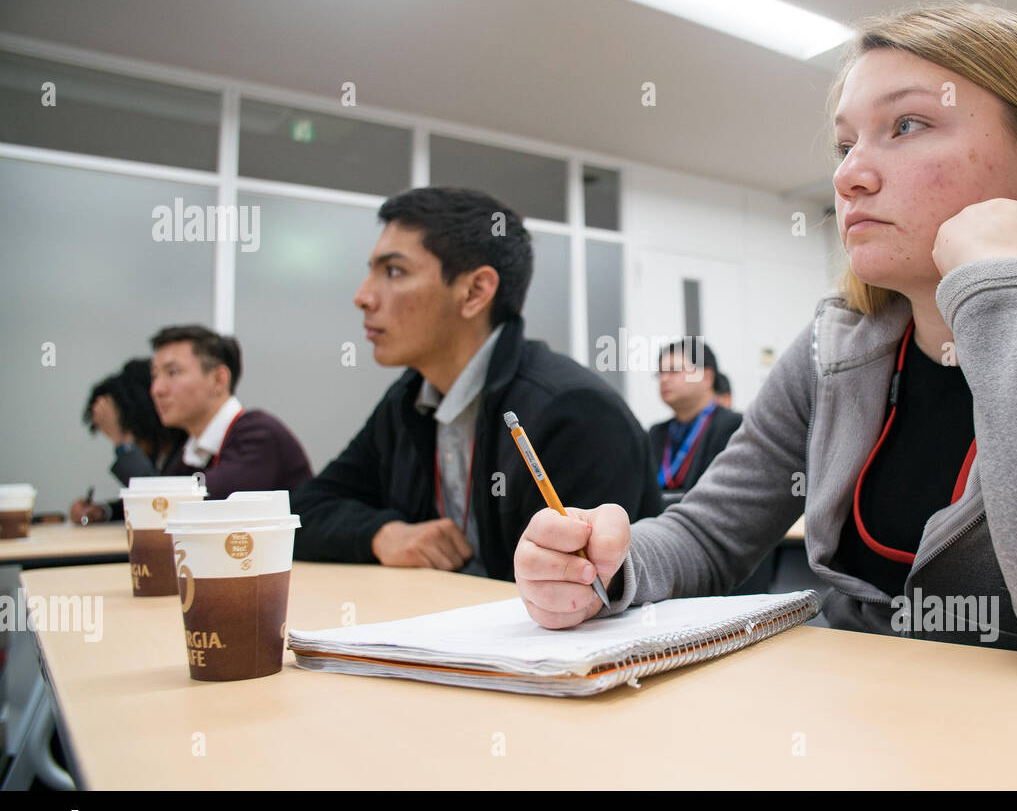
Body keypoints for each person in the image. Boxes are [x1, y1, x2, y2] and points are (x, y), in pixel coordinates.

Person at [513, 2, 1017, 682]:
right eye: (845, 144)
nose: (851, 175)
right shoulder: (835, 344)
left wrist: (1005, 283)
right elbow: (707, 535)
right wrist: (608, 566)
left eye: (908, 125)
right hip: (866, 740)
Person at [291, 186, 661, 576]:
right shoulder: (408, 400)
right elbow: (304, 512)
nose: (362, 297)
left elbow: (587, 592)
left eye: (394, 271)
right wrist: (380, 534)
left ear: (474, 292)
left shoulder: (575, 412)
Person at [76, 326, 313, 521]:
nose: (157, 389)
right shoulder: (193, 447)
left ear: (219, 379)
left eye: (173, 372)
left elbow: (183, 508)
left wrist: (124, 442)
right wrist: (105, 512)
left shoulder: (257, 434)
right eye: (156, 375)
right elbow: (166, 496)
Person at [69, 358, 186, 522]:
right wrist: (103, 511)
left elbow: (162, 504)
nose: (136, 449)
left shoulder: (189, 450)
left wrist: (123, 443)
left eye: (132, 436)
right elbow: (145, 506)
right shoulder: (163, 453)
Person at [649, 339, 742, 493]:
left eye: (673, 371)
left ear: (706, 378)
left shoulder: (732, 426)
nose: (664, 379)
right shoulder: (657, 433)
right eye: (661, 373)